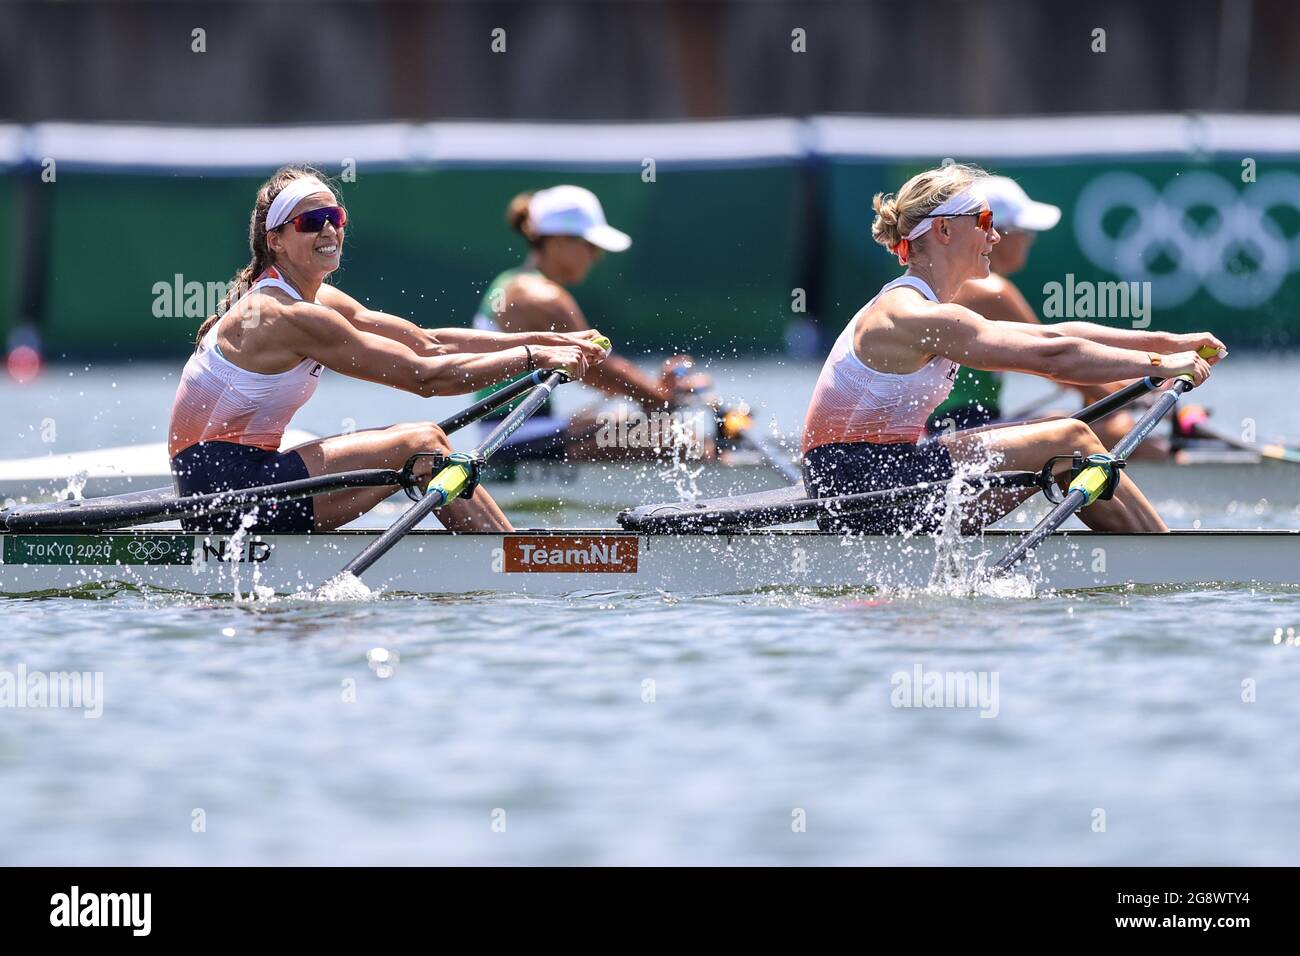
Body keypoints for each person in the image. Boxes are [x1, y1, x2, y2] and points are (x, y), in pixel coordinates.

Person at [169, 165, 607, 534]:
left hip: (232, 485)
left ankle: (508, 551)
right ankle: (514, 559)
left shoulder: (313, 299)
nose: (327, 229)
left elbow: (426, 342)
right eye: (309, 221)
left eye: (333, 217)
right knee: (422, 447)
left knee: (426, 446)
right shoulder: (285, 315)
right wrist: (535, 360)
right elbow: (424, 377)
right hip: (226, 498)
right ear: (276, 240)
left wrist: (550, 341)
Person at [801, 162, 1225, 535]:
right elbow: (1052, 358)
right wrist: (1160, 364)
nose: (995, 235)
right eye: (984, 220)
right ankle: (1166, 558)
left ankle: (1157, 549)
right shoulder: (910, 313)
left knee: (1058, 431)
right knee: (1071, 439)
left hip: (875, 476)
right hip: (861, 491)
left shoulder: (930, 305)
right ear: (944, 230)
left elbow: (1051, 335)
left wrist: (1168, 343)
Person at [927, 175, 1167, 458]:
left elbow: (1065, 362)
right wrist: (1147, 395)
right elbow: (1057, 362)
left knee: (1075, 419)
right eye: (1024, 231)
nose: (1030, 240)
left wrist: (1133, 388)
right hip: (963, 430)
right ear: (995, 232)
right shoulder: (990, 291)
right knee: (1120, 429)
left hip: (951, 428)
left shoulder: (959, 285)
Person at [471, 185, 712, 464]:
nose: (596, 257)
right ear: (559, 240)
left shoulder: (510, 282)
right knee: (677, 438)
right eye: (591, 247)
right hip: (515, 443)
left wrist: (653, 393)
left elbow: (598, 375)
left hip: (511, 434)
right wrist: (661, 397)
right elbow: (597, 369)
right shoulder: (538, 297)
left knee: (623, 419)